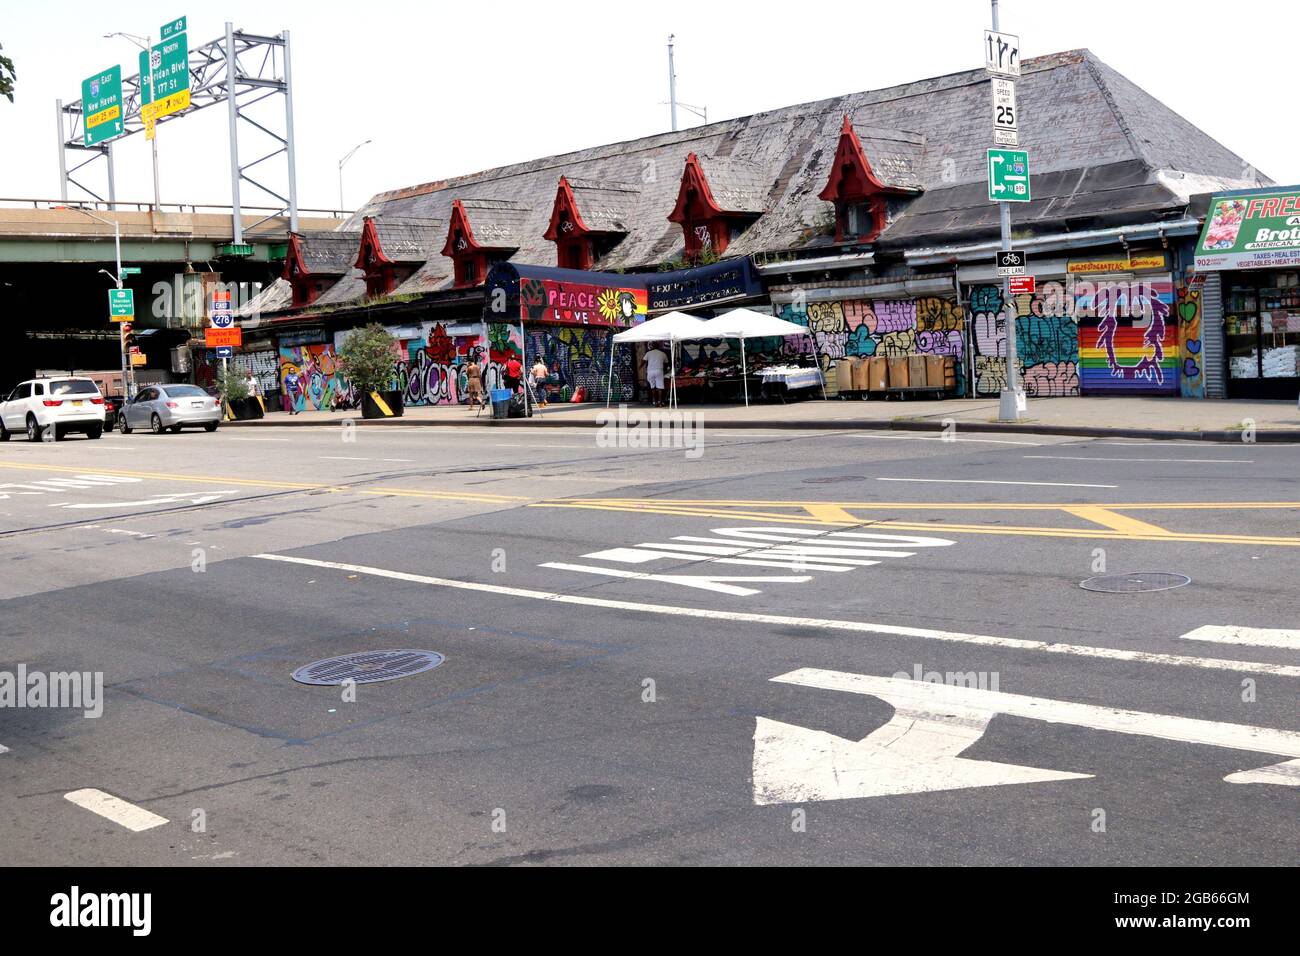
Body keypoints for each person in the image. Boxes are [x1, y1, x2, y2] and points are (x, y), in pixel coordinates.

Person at [643, 342, 669, 408]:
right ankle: (660, 402)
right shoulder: (662, 353)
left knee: (653, 387)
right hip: (659, 371)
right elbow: (666, 363)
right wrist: (665, 370)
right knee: (660, 388)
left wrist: (639, 367)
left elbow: (643, 361)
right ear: (658, 346)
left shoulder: (648, 353)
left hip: (650, 371)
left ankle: (655, 402)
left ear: (652, 346)